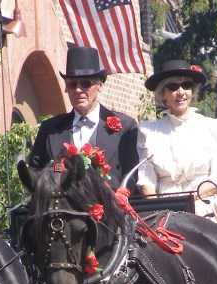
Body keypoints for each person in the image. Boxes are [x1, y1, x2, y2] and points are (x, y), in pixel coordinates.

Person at [137, 60, 217, 229]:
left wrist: (188, 201)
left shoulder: (213, 128)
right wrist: (159, 209)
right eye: (173, 87)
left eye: (186, 85)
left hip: (205, 207)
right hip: (163, 211)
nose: (180, 92)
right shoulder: (149, 132)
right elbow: (147, 181)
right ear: (163, 93)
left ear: (192, 91)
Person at [28, 46, 139, 187]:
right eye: (72, 84)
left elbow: (132, 178)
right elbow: (36, 173)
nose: (78, 90)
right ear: (66, 88)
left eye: (85, 83)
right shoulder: (50, 129)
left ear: (100, 85)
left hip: (107, 206)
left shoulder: (126, 127)